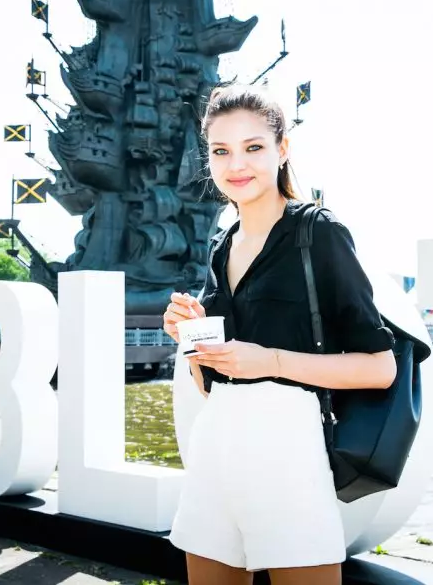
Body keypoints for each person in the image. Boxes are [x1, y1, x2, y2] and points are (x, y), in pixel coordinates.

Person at [163, 85, 397, 585]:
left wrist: (269, 360)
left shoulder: (319, 234)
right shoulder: (222, 246)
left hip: (288, 451)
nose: (236, 165)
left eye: (254, 147)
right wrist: (189, 340)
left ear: (282, 149)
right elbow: (211, 381)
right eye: (221, 151)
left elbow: (381, 368)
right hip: (215, 447)